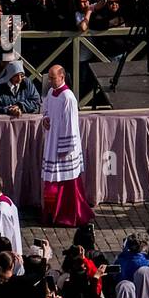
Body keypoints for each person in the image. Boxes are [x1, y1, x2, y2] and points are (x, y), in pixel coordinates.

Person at [40, 64, 93, 227]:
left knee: (67, 184)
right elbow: (46, 109)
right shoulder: (50, 92)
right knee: (52, 183)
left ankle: (68, 215)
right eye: (49, 78)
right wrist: (46, 118)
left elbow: (71, 124)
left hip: (63, 146)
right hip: (52, 141)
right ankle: (51, 213)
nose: (50, 81)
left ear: (62, 77)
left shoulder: (68, 97)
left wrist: (65, 148)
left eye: (53, 78)